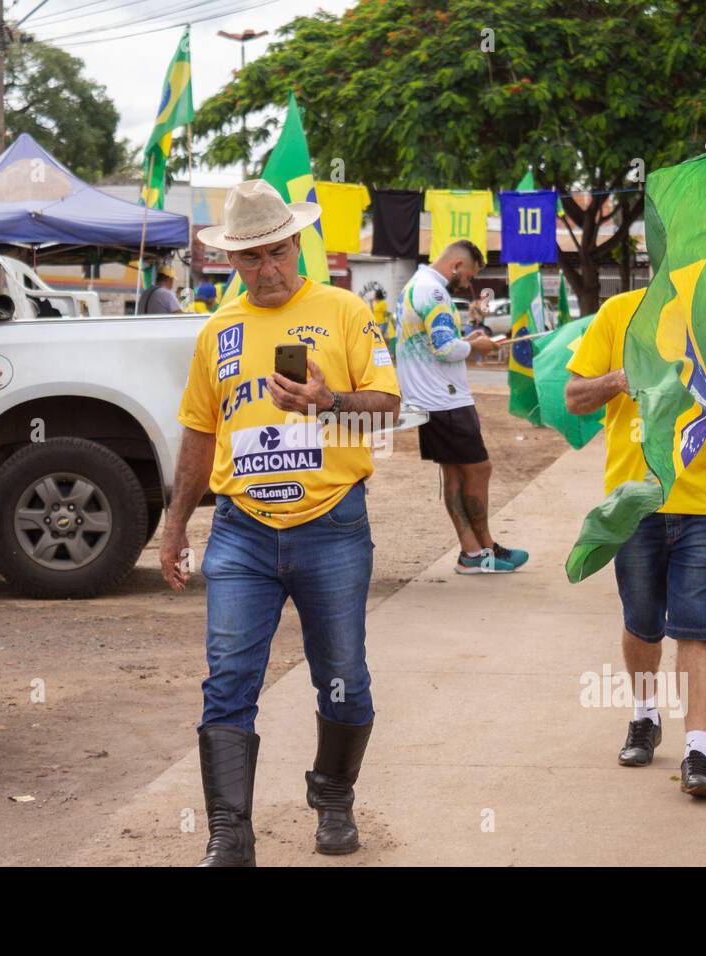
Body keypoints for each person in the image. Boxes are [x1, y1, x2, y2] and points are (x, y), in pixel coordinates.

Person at [161, 180, 402, 867]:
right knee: (229, 679)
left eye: (277, 252)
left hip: (332, 526)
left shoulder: (345, 311)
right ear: (230, 261)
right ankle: (229, 837)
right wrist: (176, 527)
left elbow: (387, 406)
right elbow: (198, 433)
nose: (267, 269)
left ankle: (332, 794)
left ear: (297, 244)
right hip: (240, 532)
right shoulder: (217, 330)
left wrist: (329, 402)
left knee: (343, 677)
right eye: (251, 259)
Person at [564, 291, 706, 797]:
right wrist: (620, 378)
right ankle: (644, 715)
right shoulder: (619, 313)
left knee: (697, 630)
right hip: (635, 501)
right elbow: (574, 396)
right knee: (642, 623)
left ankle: (697, 750)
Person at [393, 240, 529, 573]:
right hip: (445, 398)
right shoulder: (436, 294)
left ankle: (477, 550)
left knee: (455, 472)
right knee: (478, 469)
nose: (469, 283)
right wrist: (475, 348)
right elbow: (443, 349)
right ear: (456, 266)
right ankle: (480, 548)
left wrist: (466, 342)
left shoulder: (415, 286)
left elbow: (433, 344)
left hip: (428, 396)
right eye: (469, 275)